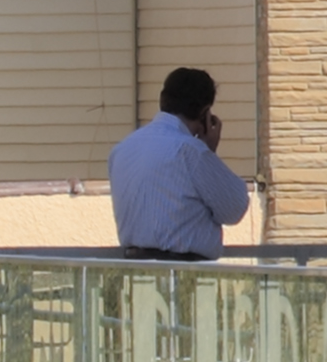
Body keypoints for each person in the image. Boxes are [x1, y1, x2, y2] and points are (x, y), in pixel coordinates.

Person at [108, 67, 253, 257]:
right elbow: (234, 209)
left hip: (134, 266)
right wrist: (209, 153)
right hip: (184, 269)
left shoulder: (121, 149)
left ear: (163, 99)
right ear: (205, 113)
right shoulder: (190, 151)